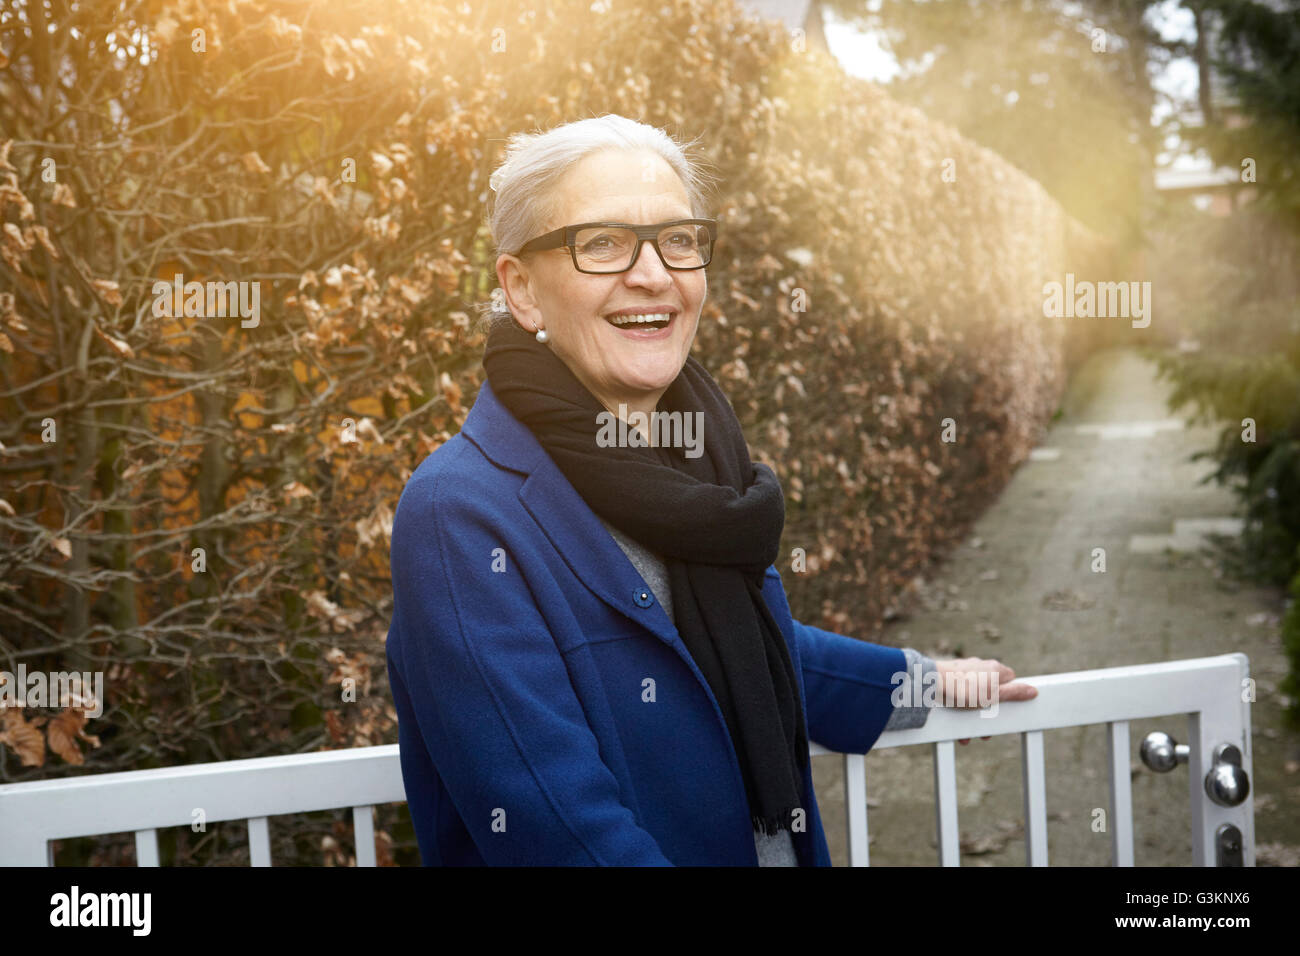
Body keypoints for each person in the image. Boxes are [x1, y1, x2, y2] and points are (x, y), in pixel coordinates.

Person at [385, 113, 1037, 866]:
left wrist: (918, 682)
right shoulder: (459, 513)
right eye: (601, 243)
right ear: (522, 290)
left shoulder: (703, 461)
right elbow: (556, 825)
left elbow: (729, 649)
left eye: (679, 240)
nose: (654, 273)